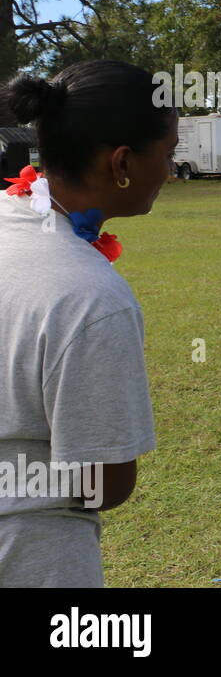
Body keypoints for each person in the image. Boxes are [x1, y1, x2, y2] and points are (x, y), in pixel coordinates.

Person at [0, 61, 178, 586]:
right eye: (167, 154)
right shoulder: (90, 296)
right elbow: (102, 482)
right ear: (121, 162)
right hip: (32, 557)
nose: (170, 170)